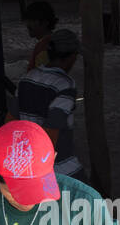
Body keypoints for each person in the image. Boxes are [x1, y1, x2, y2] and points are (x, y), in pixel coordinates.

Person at [11, 28, 84, 180]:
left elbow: (11, 121)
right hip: (58, 169)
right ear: (71, 57)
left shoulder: (27, 78)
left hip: (28, 165)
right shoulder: (65, 85)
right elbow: (52, 131)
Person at [23, 0, 58, 70]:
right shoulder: (49, 42)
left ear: (45, 22)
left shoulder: (45, 46)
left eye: (33, 20)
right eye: (28, 20)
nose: (28, 24)